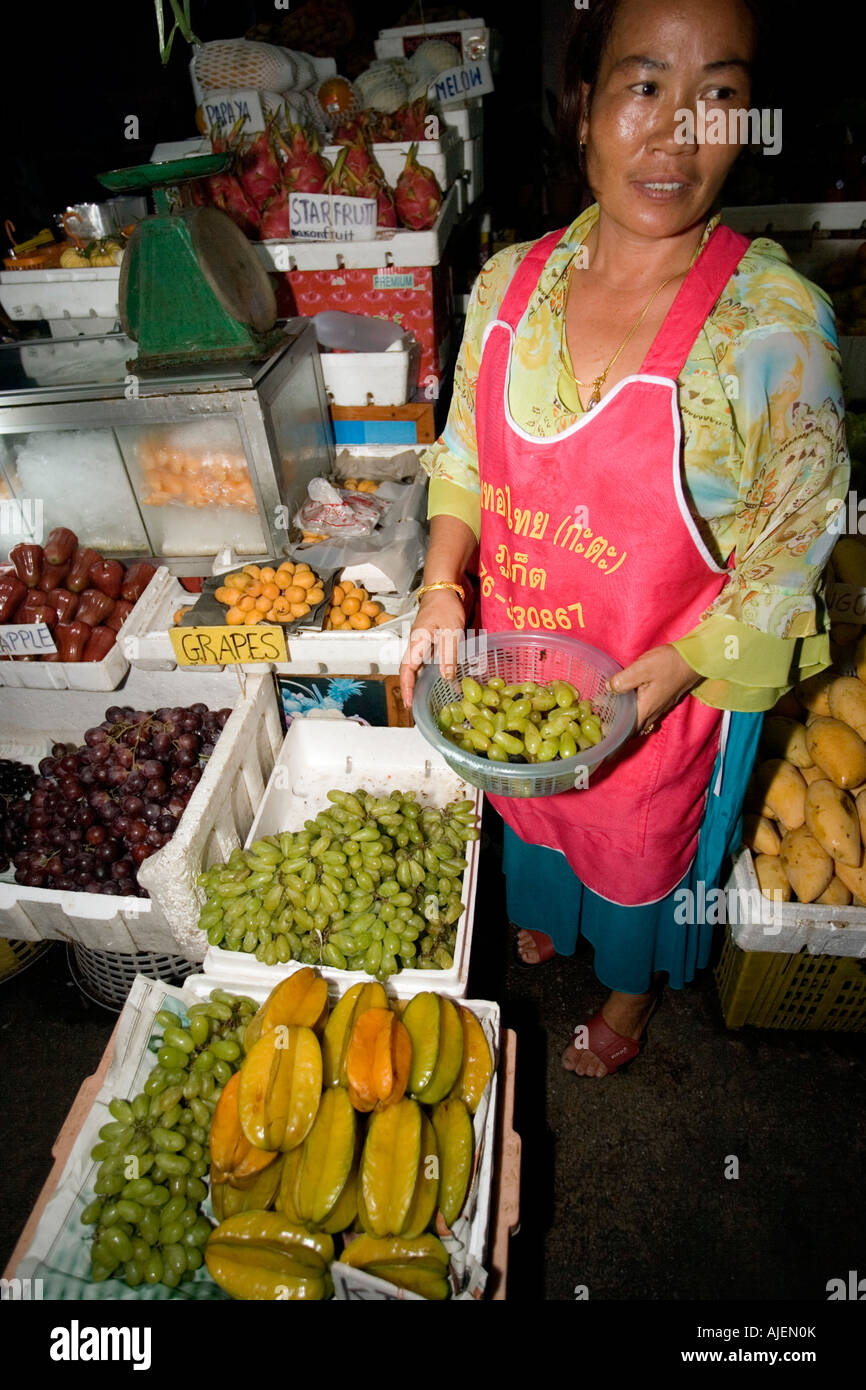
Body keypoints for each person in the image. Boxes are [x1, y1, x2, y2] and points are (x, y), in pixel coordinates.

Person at [399, 0, 850, 1077]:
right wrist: (442, 588)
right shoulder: (509, 284)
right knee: (539, 816)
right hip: (528, 662)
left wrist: (663, 677)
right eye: (644, 88)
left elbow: (795, 547)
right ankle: (560, 919)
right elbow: (463, 451)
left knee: (644, 847)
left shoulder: (773, 324)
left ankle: (627, 995)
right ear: (583, 108)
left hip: (669, 684)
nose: (678, 134)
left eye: (721, 97)